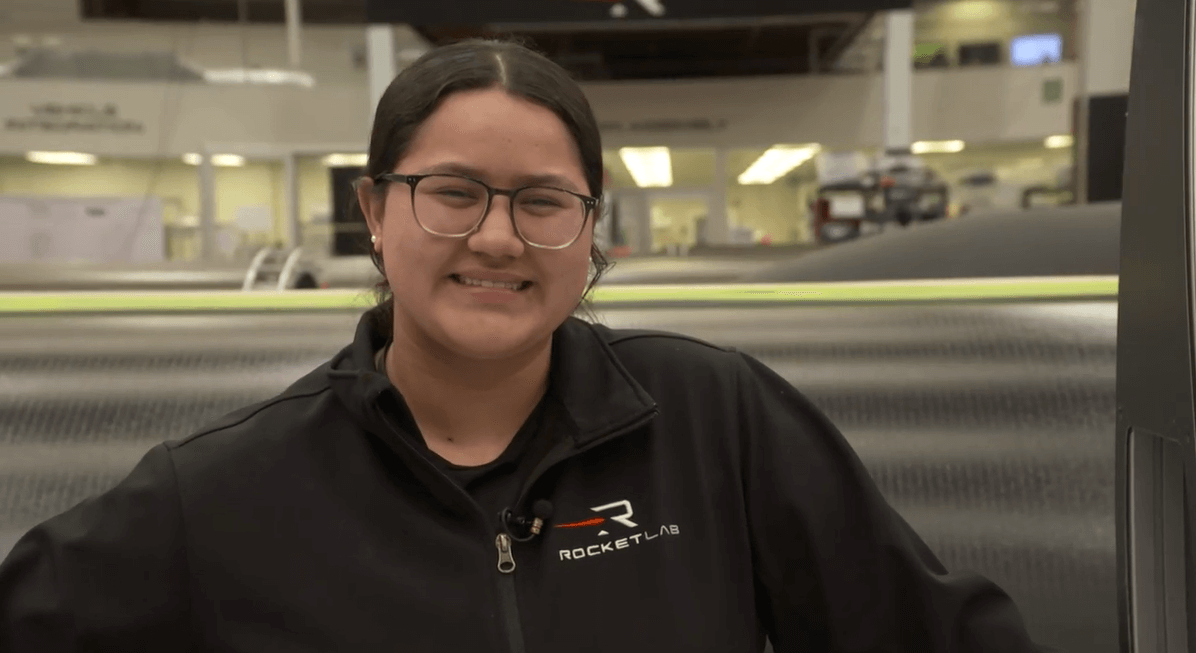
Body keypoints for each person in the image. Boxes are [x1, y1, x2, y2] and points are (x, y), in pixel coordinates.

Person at [0, 39, 1047, 652]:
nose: (496, 237)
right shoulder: (225, 490)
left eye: (544, 201)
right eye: (452, 191)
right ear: (374, 210)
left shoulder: (714, 419)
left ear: (588, 229)